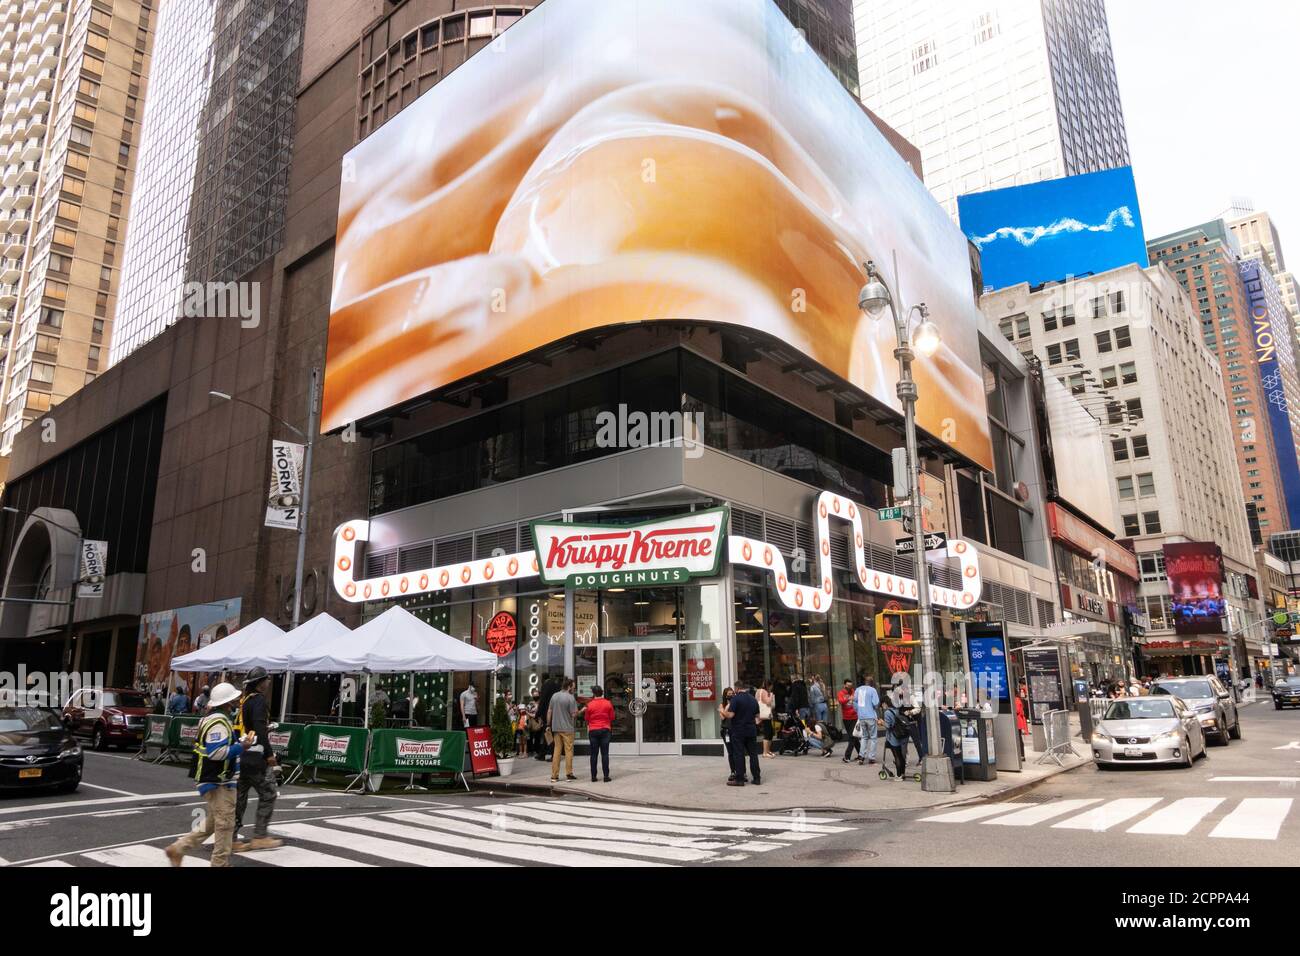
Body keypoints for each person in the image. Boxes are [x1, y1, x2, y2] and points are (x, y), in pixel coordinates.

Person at [165, 682, 252, 867]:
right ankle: (219, 864)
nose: (237, 702)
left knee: (213, 822)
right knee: (225, 823)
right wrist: (241, 746)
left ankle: (179, 848)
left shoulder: (211, 718)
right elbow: (216, 752)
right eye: (235, 699)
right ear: (228, 702)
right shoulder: (219, 722)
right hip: (218, 780)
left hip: (214, 779)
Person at [232, 667, 282, 852]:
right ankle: (260, 836)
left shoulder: (245, 701)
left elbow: (251, 727)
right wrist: (269, 755)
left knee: (240, 798)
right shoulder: (260, 700)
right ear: (260, 683)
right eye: (267, 680)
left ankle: (232, 838)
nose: (269, 683)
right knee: (268, 793)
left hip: (240, 754)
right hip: (256, 756)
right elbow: (259, 729)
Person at [722, 680, 761, 786]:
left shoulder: (735, 699)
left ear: (737, 688)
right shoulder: (753, 699)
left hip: (738, 731)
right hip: (751, 731)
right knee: (753, 754)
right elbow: (758, 717)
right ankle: (757, 778)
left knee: (738, 754)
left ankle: (739, 779)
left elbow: (730, 715)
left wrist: (722, 711)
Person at [579, 684, 615, 782]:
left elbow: (586, 719)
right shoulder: (608, 703)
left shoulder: (589, 705)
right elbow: (612, 717)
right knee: (605, 754)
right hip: (605, 730)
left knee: (593, 754)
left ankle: (593, 776)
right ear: (602, 692)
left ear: (593, 693)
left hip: (593, 730)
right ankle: (606, 776)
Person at [547, 677, 578, 782]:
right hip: (568, 728)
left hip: (556, 728)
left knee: (557, 751)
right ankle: (569, 774)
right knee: (569, 751)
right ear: (569, 687)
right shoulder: (570, 698)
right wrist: (581, 710)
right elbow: (574, 714)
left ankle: (554, 776)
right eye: (573, 687)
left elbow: (549, 711)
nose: (574, 689)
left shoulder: (554, 696)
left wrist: (548, 724)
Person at [853, 676, 880, 766]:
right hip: (870, 716)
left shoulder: (857, 690)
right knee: (873, 737)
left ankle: (861, 756)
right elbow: (875, 703)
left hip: (861, 716)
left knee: (864, 737)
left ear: (865, 682)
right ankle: (871, 757)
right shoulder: (872, 690)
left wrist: (859, 710)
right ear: (872, 683)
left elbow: (854, 702)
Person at [881, 698, 909, 779]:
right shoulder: (896, 710)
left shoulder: (887, 712)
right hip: (902, 735)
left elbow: (888, 726)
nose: (882, 707)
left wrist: (882, 723)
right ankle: (902, 774)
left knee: (896, 756)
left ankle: (899, 775)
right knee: (900, 756)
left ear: (885, 703)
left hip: (893, 736)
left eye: (882, 705)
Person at [535, 673, 559, 761]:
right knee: (548, 734)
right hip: (556, 713)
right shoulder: (556, 685)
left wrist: (538, 714)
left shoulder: (545, 685)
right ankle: (543, 753)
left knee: (548, 733)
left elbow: (543, 700)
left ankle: (551, 754)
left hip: (547, 713)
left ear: (542, 678)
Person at [838, 679, 859, 763]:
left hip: (854, 717)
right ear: (844, 685)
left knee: (852, 736)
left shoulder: (854, 691)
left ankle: (847, 756)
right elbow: (841, 701)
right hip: (846, 718)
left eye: (851, 686)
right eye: (848, 686)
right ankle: (861, 755)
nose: (850, 688)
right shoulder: (841, 693)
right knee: (854, 737)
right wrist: (849, 698)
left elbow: (858, 700)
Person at [757, 681, 776, 758]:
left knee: (770, 732)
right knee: (768, 732)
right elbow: (768, 702)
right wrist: (771, 695)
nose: (771, 688)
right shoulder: (764, 692)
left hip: (764, 714)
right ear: (768, 686)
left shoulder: (758, 691)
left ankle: (768, 750)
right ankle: (765, 752)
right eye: (771, 686)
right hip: (765, 715)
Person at [719, 687, 735, 778]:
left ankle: (742, 771)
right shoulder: (722, 705)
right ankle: (733, 771)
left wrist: (723, 711)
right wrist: (728, 706)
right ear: (725, 696)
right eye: (729, 694)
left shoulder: (736, 703)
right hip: (726, 731)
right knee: (731, 752)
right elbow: (723, 717)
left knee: (738, 751)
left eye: (732, 694)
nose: (731, 696)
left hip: (735, 729)